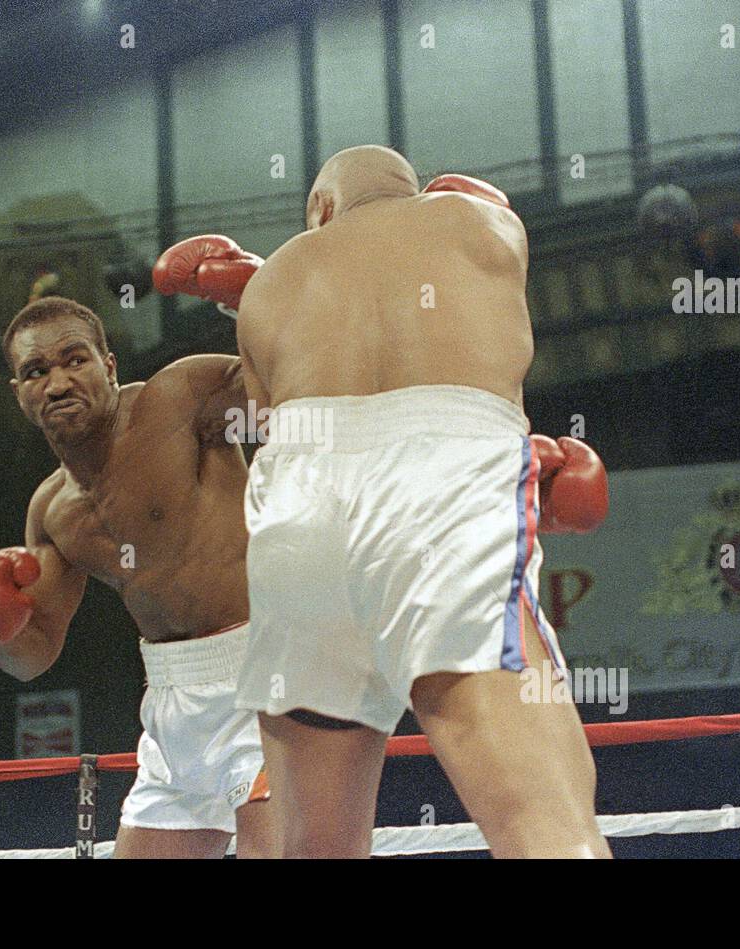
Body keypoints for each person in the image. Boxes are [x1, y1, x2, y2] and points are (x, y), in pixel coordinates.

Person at [215, 145, 611, 857]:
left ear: (321, 210)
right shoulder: (481, 221)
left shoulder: (269, 285)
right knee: (544, 821)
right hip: (442, 487)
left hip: (297, 522)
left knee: (312, 849)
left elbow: (270, 416)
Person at [0, 297, 276, 858]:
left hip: (265, 679)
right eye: (36, 371)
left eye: (74, 359)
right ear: (19, 393)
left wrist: (258, 297)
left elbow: (297, 387)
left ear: (109, 365)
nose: (57, 382)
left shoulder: (179, 398)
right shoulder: (51, 510)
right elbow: (33, 656)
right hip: (173, 707)